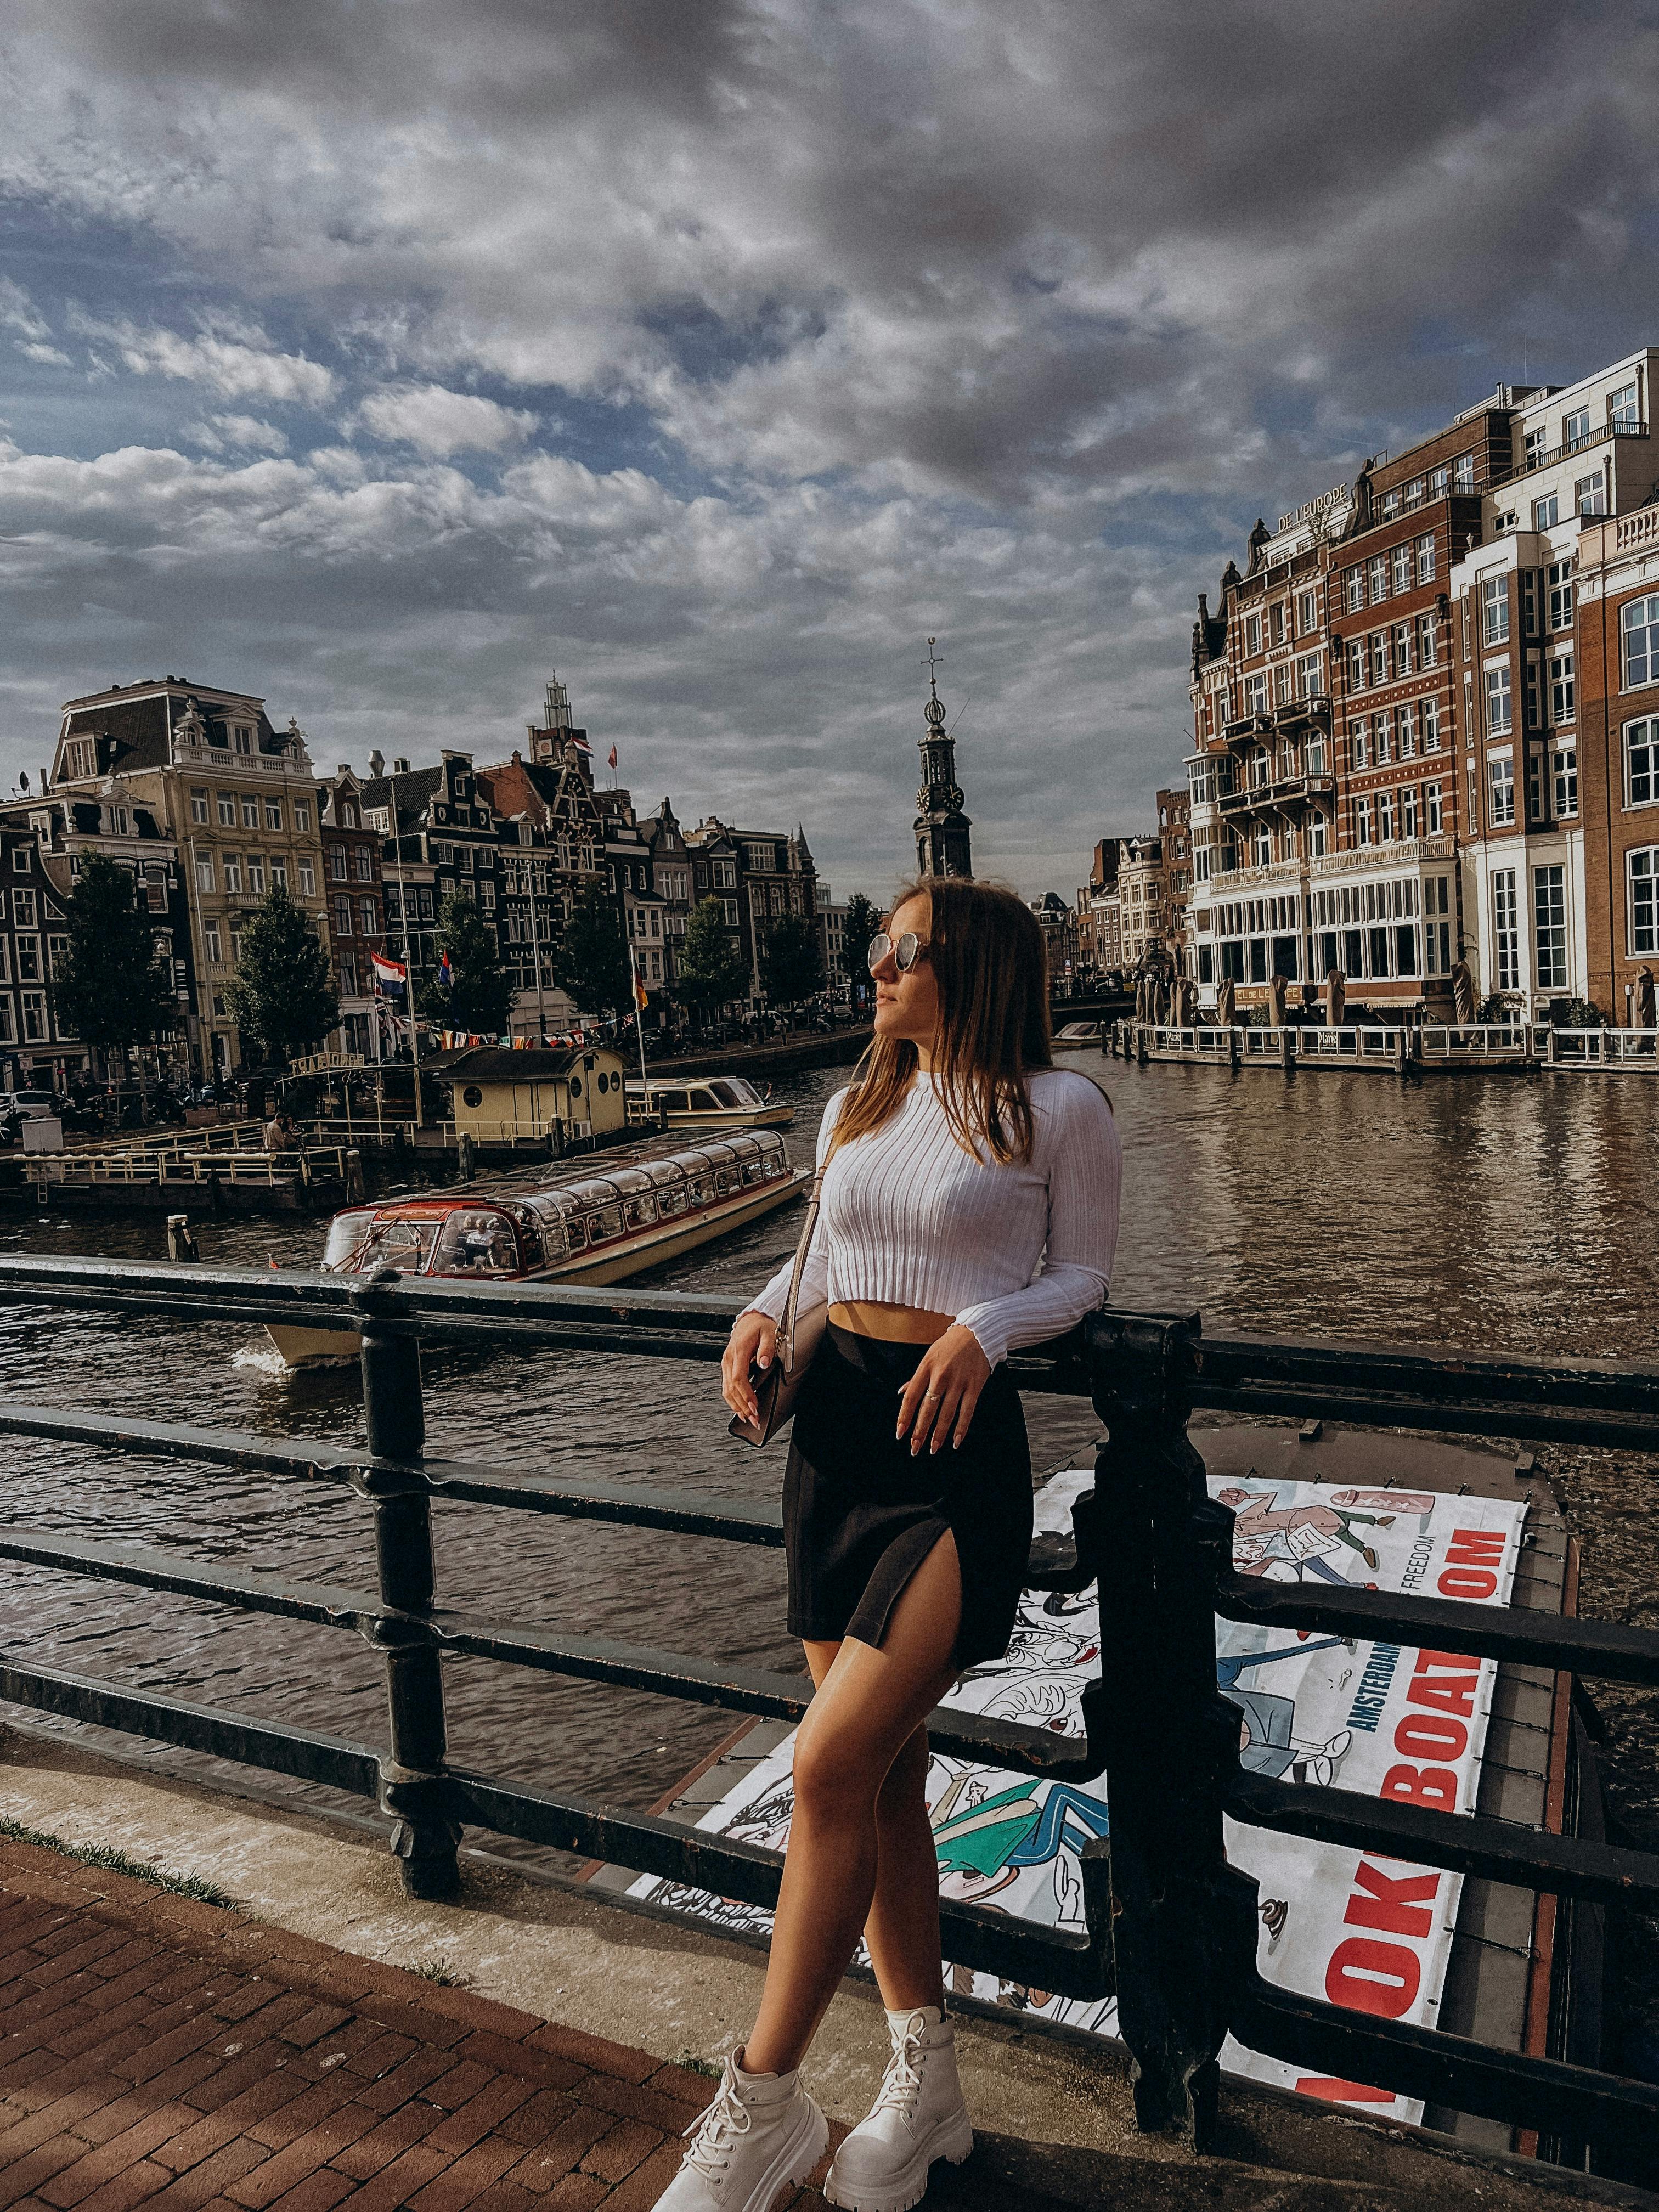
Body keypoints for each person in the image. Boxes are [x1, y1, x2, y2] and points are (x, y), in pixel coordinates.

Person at [658, 879, 1121, 2212]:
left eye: (900, 949)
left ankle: (761, 2108)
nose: (875, 966)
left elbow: (1086, 1275)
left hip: (949, 1456)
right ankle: (928, 2083)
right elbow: (817, 1260)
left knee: (825, 1772)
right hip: (837, 1442)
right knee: (885, 1781)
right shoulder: (857, 1104)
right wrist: (755, 1316)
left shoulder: (1060, 1108)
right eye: (878, 947)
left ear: (967, 965)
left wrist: (989, 1331)